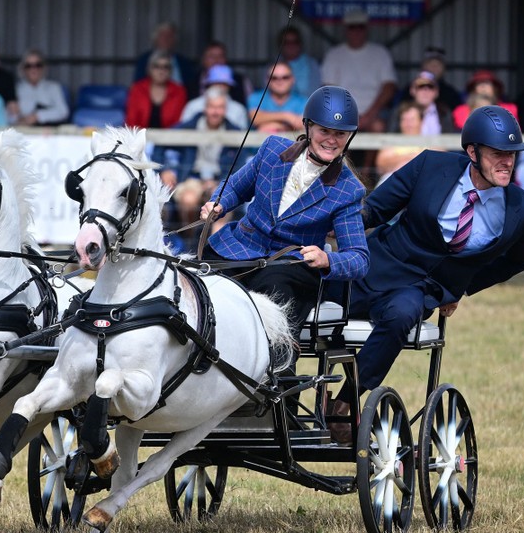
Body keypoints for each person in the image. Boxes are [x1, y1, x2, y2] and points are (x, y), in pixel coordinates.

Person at [328, 105, 524, 444]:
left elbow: (518, 260)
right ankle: (278, 395)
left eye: (513, 154)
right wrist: (329, 226)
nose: (508, 161)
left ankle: (344, 402)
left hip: (421, 290)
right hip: (373, 266)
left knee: (402, 315)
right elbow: (375, 210)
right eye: (498, 153)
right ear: (472, 151)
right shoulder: (430, 165)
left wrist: (463, 287)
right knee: (300, 295)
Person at [199, 85, 369, 340]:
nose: (331, 140)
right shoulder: (271, 149)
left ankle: (276, 369)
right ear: (308, 127)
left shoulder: (348, 189)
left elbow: (359, 258)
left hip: (289, 267)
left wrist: (327, 259)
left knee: (275, 289)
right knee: (195, 286)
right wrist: (219, 203)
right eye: (324, 130)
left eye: (340, 134)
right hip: (238, 249)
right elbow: (235, 186)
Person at [152, 86, 248, 191]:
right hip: (191, 178)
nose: (215, 112)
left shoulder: (234, 132)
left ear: (226, 109)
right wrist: (164, 170)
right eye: (212, 107)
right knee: (189, 199)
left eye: (220, 107)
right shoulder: (189, 126)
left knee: (220, 200)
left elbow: (240, 164)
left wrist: (223, 183)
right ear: (205, 107)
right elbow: (159, 143)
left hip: (221, 181)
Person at [320, 9, 396, 134]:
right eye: (352, 27)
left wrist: (370, 115)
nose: (356, 31)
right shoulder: (334, 54)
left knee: (378, 127)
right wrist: (343, 114)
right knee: (335, 129)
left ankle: (369, 155)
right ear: (346, 29)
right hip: (341, 112)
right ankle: (344, 155)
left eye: (360, 27)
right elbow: (328, 89)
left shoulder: (380, 53)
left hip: (375, 112)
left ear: (367, 29)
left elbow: (389, 87)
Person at [133, 21, 197, 97]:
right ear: (155, 39)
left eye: (170, 36)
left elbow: (192, 88)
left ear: (175, 40)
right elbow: (138, 85)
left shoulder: (184, 62)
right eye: (162, 36)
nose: (166, 39)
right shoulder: (144, 60)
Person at [125, 50, 187, 129]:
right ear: (149, 69)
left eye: (166, 67)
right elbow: (131, 120)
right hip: (140, 137)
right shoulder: (137, 89)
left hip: (170, 138)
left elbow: (178, 123)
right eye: (156, 66)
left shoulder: (179, 91)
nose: (161, 71)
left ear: (170, 70)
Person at [180, 64, 249, 130]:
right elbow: (182, 132)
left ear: (229, 86)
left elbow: (242, 136)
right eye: (217, 82)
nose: (220, 87)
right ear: (209, 84)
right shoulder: (193, 105)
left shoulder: (238, 109)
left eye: (224, 84)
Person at [375, 101, 427, 185]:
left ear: (421, 121)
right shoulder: (393, 141)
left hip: (422, 182)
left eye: (412, 119)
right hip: (394, 181)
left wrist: (400, 160)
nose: (408, 124)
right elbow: (381, 164)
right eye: (404, 120)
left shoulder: (431, 141)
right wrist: (414, 157)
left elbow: (439, 161)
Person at [247, 61, 307, 133]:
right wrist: (287, 116)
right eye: (274, 78)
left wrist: (274, 126)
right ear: (267, 80)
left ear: (292, 79)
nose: (280, 81)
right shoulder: (255, 98)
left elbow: (302, 125)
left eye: (285, 77)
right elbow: (255, 119)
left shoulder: (304, 101)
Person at [15, 49, 69, 126]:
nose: (33, 69)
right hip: (24, 132)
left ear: (43, 67)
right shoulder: (16, 89)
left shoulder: (53, 87)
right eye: (29, 66)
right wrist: (18, 119)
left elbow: (63, 112)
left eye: (38, 65)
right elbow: (7, 116)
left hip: (49, 133)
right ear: (23, 69)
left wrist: (38, 116)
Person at [390, 71, 454, 135]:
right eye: (420, 86)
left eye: (430, 86)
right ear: (412, 90)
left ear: (436, 92)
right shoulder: (399, 111)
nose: (425, 91)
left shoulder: (444, 112)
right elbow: (391, 137)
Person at [192, 40, 252, 106]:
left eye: (220, 56)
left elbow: (250, 106)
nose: (216, 60)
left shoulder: (241, 80)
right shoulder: (192, 82)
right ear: (203, 60)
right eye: (212, 56)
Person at [453, 69, 518, 129]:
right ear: (473, 90)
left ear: (495, 89)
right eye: (479, 84)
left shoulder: (509, 110)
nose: (483, 87)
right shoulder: (460, 111)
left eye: (487, 83)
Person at [274, 25, 321, 99]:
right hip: (278, 109)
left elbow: (315, 92)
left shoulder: (311, 64)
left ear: (300, 44)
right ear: (280, 45)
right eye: (286, 42)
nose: (291, 45)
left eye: (295, 42)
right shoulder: (273, 65)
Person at [420, 45, 462, 111]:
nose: (434, 68)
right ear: (423, 66)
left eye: (438, 65)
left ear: (444, 69)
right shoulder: (410, 91)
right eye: (430, 64)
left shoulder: (451, 94)